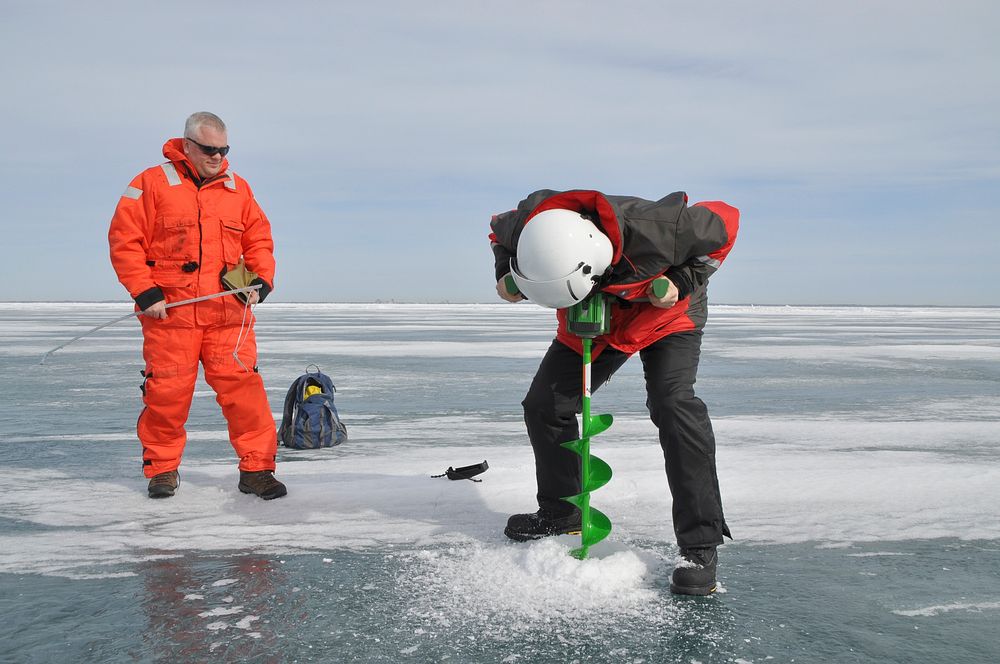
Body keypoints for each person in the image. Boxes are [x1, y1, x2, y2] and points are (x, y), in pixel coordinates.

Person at [490, 189, 739, 595]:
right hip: (594, 318)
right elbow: (497, 233)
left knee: (673, 405)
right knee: (544, 405)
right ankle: (562, 511)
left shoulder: (665, 227)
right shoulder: (528, 223)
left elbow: (727, 221)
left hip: (667, 316)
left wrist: (681, 280)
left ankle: (699, 546)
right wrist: (505, 272)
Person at [108, 112, 286, 500]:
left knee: (246, 396)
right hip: (171, 316)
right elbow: (125, 241)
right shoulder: (150, 183)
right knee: (166, 398)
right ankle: (162, 470)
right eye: (209, 149)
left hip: (228, 317)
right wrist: (145, 292)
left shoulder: (239, 189)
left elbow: (259, 240)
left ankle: (257, 470)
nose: (218, 157)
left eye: (224, 150)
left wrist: (261, 280)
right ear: (187, 146)